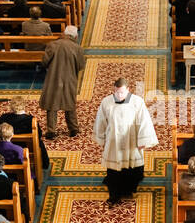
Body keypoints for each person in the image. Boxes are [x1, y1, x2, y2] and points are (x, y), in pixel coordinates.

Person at [93, 77, 158, 205]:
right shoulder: (106, 102)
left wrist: (143, 140)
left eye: (122, 92)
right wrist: (101, 138)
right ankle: (114, 195)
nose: (119, 95)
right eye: (116, 92)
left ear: (128, 90)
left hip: (131, 141)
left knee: (132, 168)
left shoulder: (137, 102)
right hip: (114, 141)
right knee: (114, 170)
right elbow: (101, 121)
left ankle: (128, 189)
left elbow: (144, 121)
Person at [39, 25, 85, 139]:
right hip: (69, 79)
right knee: (69, 103)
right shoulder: (77, 48)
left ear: (64, 33)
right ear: (75, 36)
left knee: (52, 104)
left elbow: (44, 62)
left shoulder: (52, 45)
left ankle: (51, 131)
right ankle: (73, 128)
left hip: (53, 78)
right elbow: (80, 66)